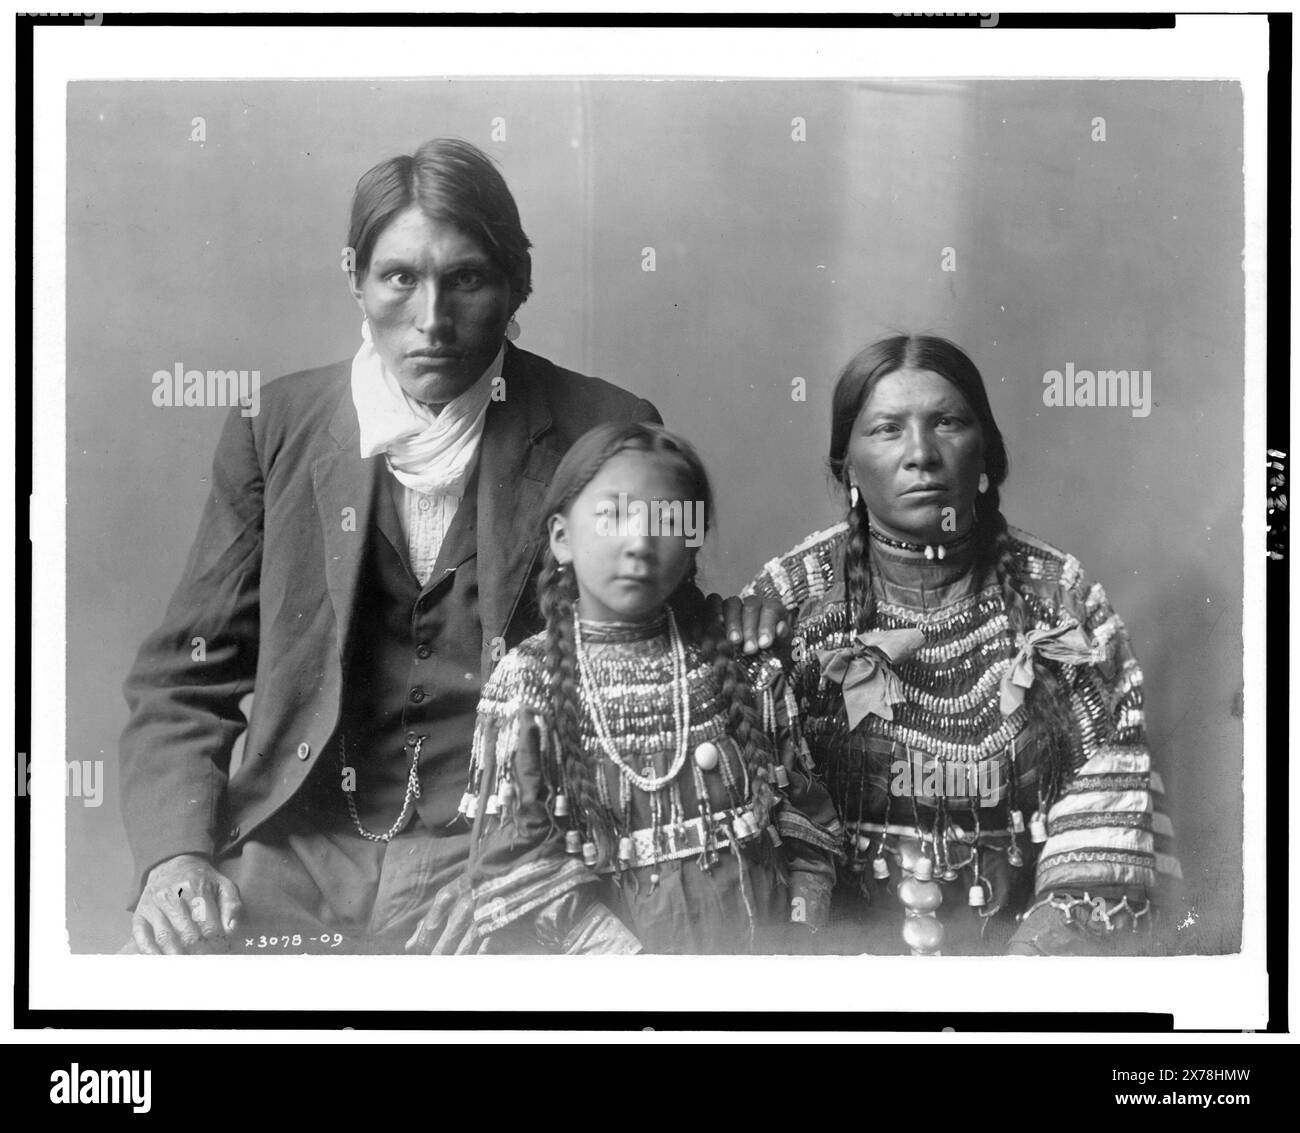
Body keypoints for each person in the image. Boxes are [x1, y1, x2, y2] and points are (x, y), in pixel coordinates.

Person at [118, 138, 781, 955]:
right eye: (400, 277)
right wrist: (177, 856)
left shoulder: (599, 424)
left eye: (465, 278)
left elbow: (653, 648)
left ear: (517, 286)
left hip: (505, 849)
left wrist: (743, 620)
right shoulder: (275, 427)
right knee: (156, 981)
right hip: (301, 842)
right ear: (355, 277)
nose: (431, 319)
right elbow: (186, 675)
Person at [744, 335, 1181, 956]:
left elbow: (1107, 808)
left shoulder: (1059, 600)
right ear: (847, 467)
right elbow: (765, 827)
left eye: (946, 422)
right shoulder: (793, 603)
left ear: (986, 457)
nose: (921, 454)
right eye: (887, 430)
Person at [434, 422, 843, 954]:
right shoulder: (529, 683)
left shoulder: (742, 664)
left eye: (668, 520)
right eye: (612, 515)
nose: (640, 542)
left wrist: (799, 935)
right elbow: (522, 869)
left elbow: (806, 826)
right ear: (562, 538)